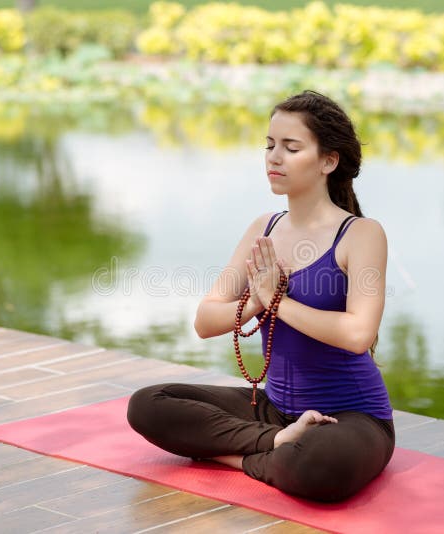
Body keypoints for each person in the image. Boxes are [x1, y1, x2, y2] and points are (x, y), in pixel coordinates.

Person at [127, 90, 394, 502]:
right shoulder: (264, 229)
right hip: (272, 409)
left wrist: (276, 301)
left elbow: (358, 333)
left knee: (317, 466)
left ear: (329, 160)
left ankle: (239, 455)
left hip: (351, 418)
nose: (274, 157)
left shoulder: (361, 234)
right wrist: (254, 302)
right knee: (149, 404)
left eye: (291, 147)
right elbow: (204, 321)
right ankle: (277, 441)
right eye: (269, 145)